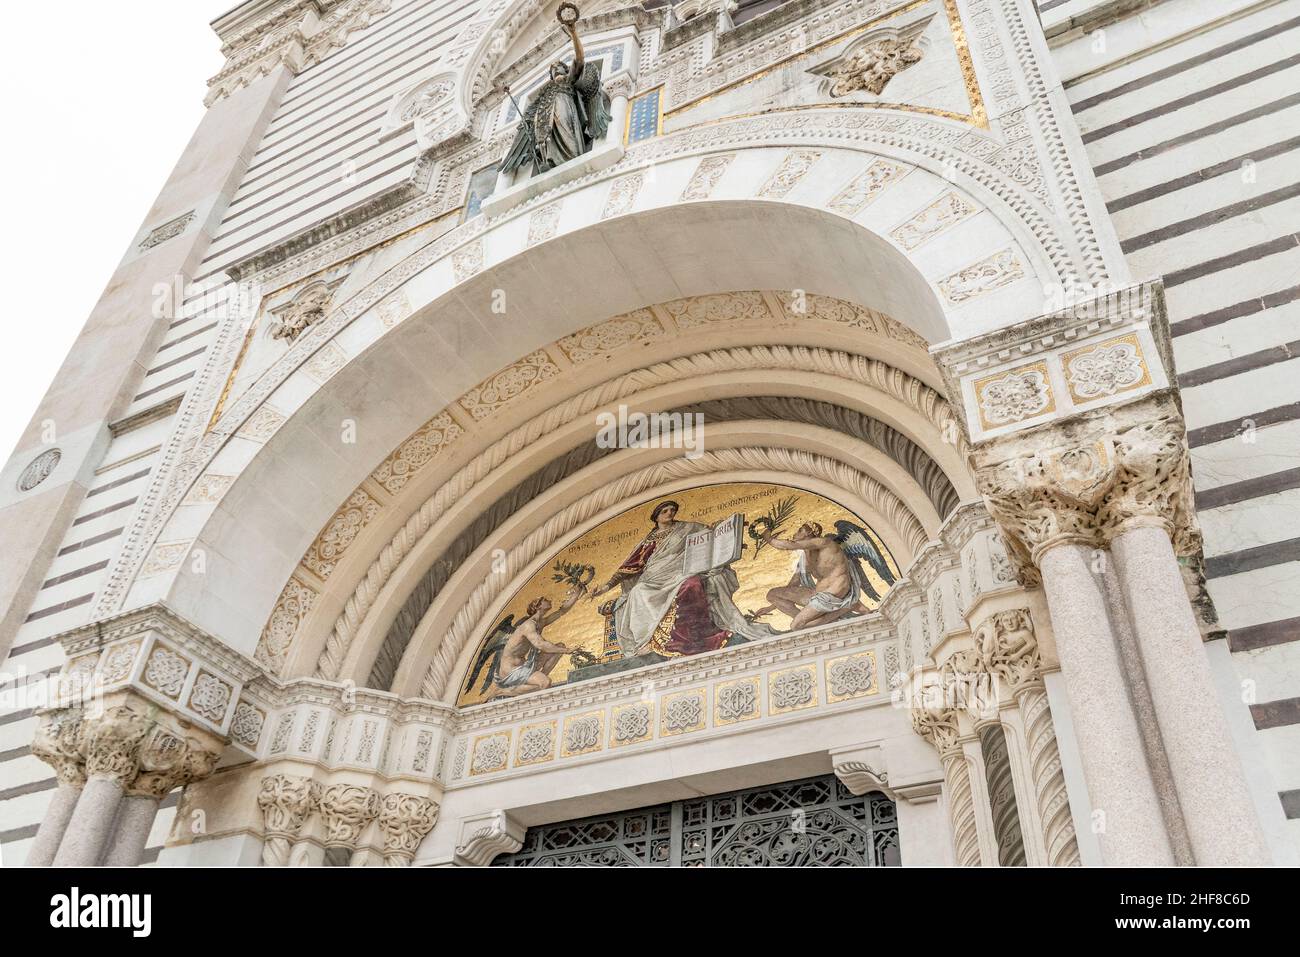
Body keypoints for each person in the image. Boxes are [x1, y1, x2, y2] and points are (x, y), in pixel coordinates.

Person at [591, 501, 775, 659]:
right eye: (665, 511)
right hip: (654, 577)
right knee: (638, 592)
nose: (670, 513)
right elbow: (629, 567)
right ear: (656, 516)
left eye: (672, 510)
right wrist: (606, 586)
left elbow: (710, 535)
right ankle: (644, 642)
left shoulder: (687, 528)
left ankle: (695, 636)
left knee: (691, 584)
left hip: (680, 572)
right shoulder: (649, 540)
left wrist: (726, 533)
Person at [499, 7, 611, 176]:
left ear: (566, 71)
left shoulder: (569, 80)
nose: (557, 71)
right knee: (545, 134)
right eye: (553, 70)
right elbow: (531, 119)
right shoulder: (545, 92)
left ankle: (573, 156)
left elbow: (580, 59)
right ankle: (548, 160)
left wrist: (573, 32)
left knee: (568, 132)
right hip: (548, 117)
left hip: (566, 108)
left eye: (560, 68)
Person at [750, 522, 874, 630]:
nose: (795, 534)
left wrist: (768, 538)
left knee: (796, 626)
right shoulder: (805, 556)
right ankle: (813, 620)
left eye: (800, 531)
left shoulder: (825, 543)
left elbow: (789, 545)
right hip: (818, 595)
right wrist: (771, 607)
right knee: (773, 594)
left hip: (834, 593)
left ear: (809, 533)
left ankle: (844, 608)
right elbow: (793, 584)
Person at [473, 586, 585, 699]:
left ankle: (539, 681)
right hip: (511, 670)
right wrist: (567, 651)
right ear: (539, 606)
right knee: (545, 683)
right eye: (545, 600)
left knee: (559, 647)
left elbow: (562, 611)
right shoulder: (528, 625)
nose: (550, 600)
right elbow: (541, 645)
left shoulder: (541, 622)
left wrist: (576, 595)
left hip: (525, 665)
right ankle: (503, 691)